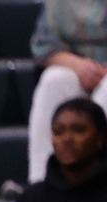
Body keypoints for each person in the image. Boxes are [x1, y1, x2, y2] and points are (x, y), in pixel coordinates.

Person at [25, 0, 107, 183]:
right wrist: (78, 66)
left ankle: (98, 186)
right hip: (80, 67)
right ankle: (41, 183)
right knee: (53, 80)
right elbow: (44, 45)